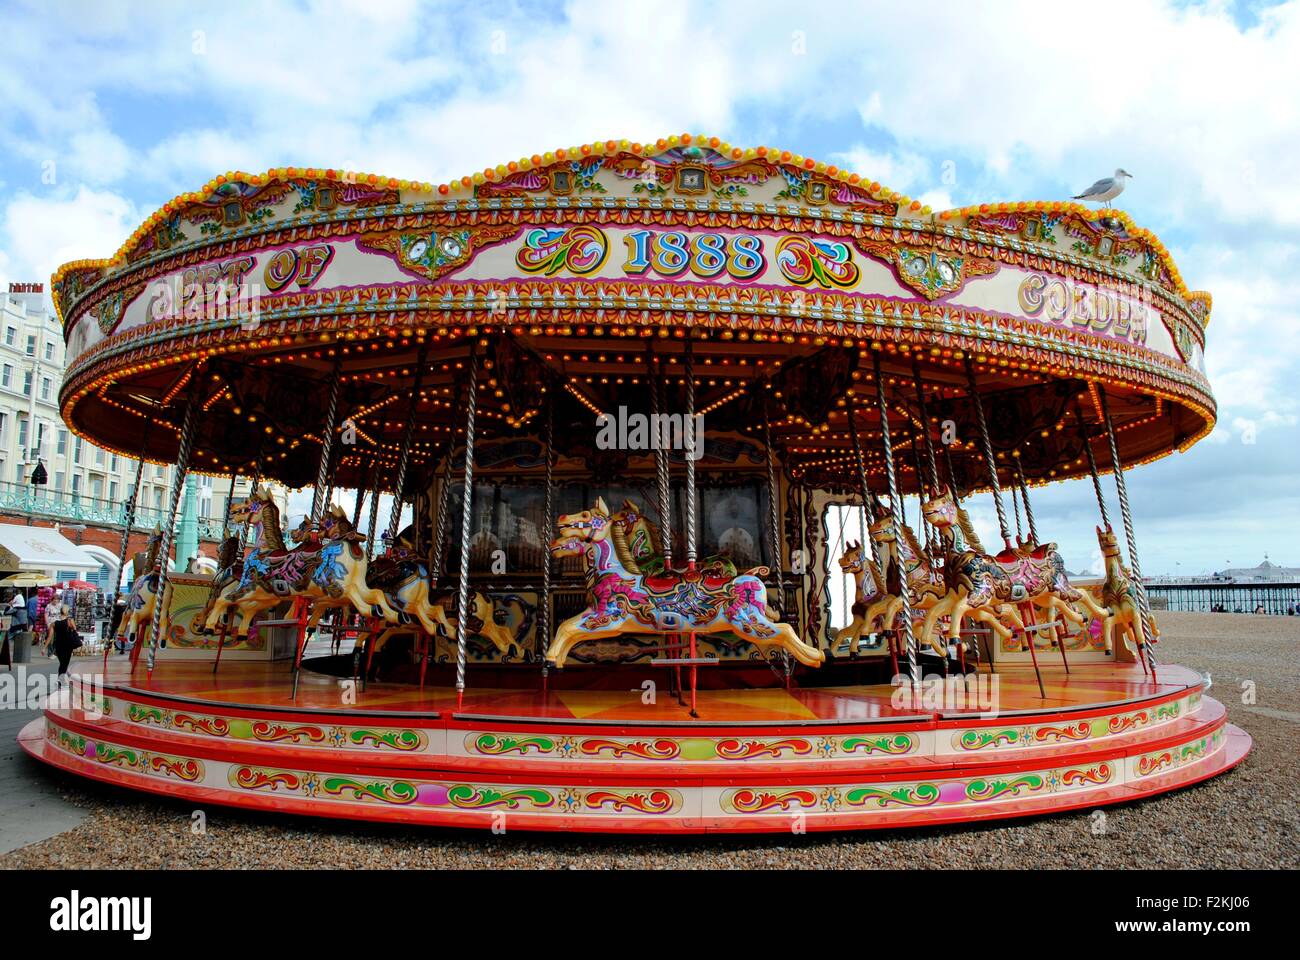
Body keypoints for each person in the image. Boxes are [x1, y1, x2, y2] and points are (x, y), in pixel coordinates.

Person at [44, 603, 82, 686]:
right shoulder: (69, 621)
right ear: (67, 612)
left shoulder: (54, 624)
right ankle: (60, 681)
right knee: (64, 664)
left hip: (58, 646)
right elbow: (74, 631)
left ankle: (61, 680)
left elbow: (50, 637)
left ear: (60, 612)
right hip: (67, 646)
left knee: (62, 663)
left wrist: (44, 648)